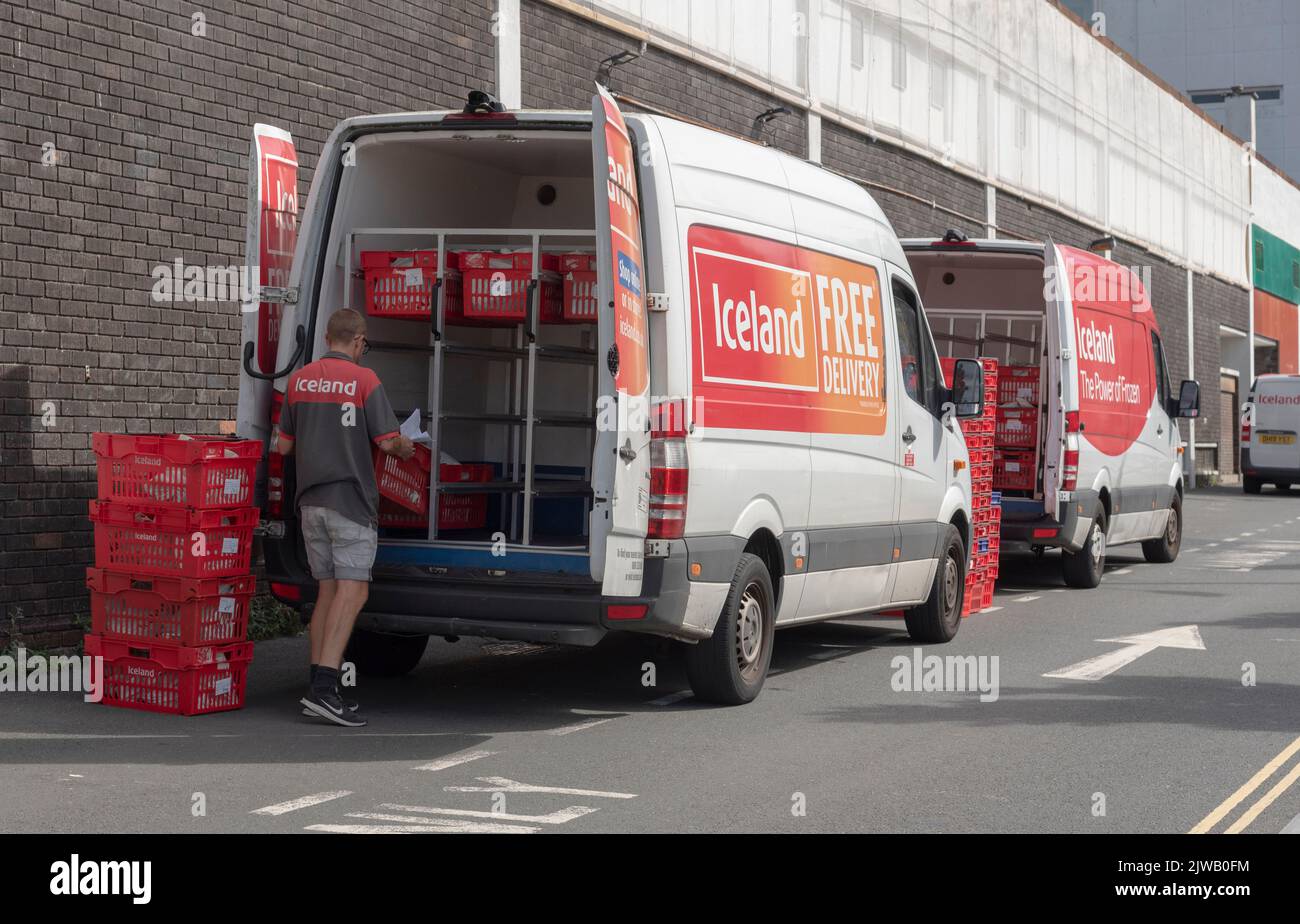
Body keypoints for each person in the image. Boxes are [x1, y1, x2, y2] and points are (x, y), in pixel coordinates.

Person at [276, 308, 414, 726]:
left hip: (310, 504)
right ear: (358, 341)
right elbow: (389, 444)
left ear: (326, 337)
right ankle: (324, 689)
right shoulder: (365, 380)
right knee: (354, 594)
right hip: (350, 503)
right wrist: (409, 447)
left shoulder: (298, 381)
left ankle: (319, 687)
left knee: (328, 592)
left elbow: (282, 448)